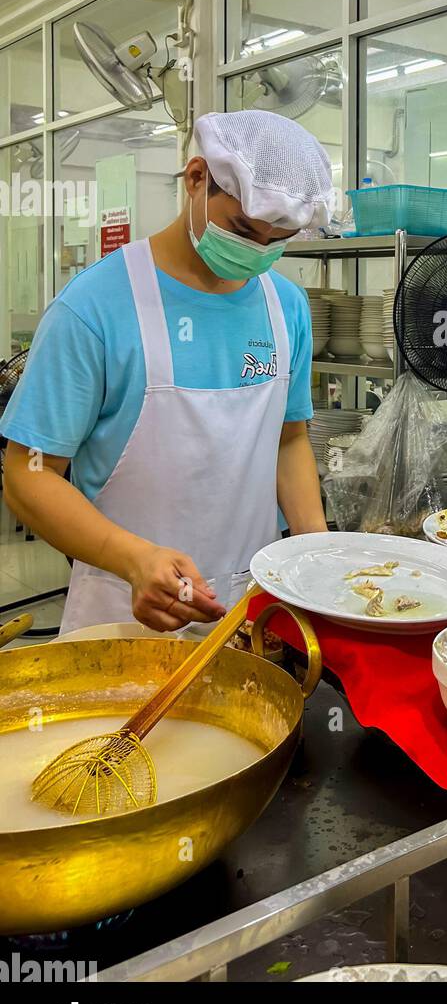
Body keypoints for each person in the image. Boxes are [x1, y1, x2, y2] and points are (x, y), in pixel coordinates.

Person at [1, 111, 332, 635]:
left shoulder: (285, 306)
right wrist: (132, 559)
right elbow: (29, 474)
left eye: (278, 241)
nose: (257, 252)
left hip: (252, 614)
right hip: (123, 611)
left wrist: (314, 554)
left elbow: (289, 441)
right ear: (196, 179)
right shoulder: (95, 306)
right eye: (243, 231)